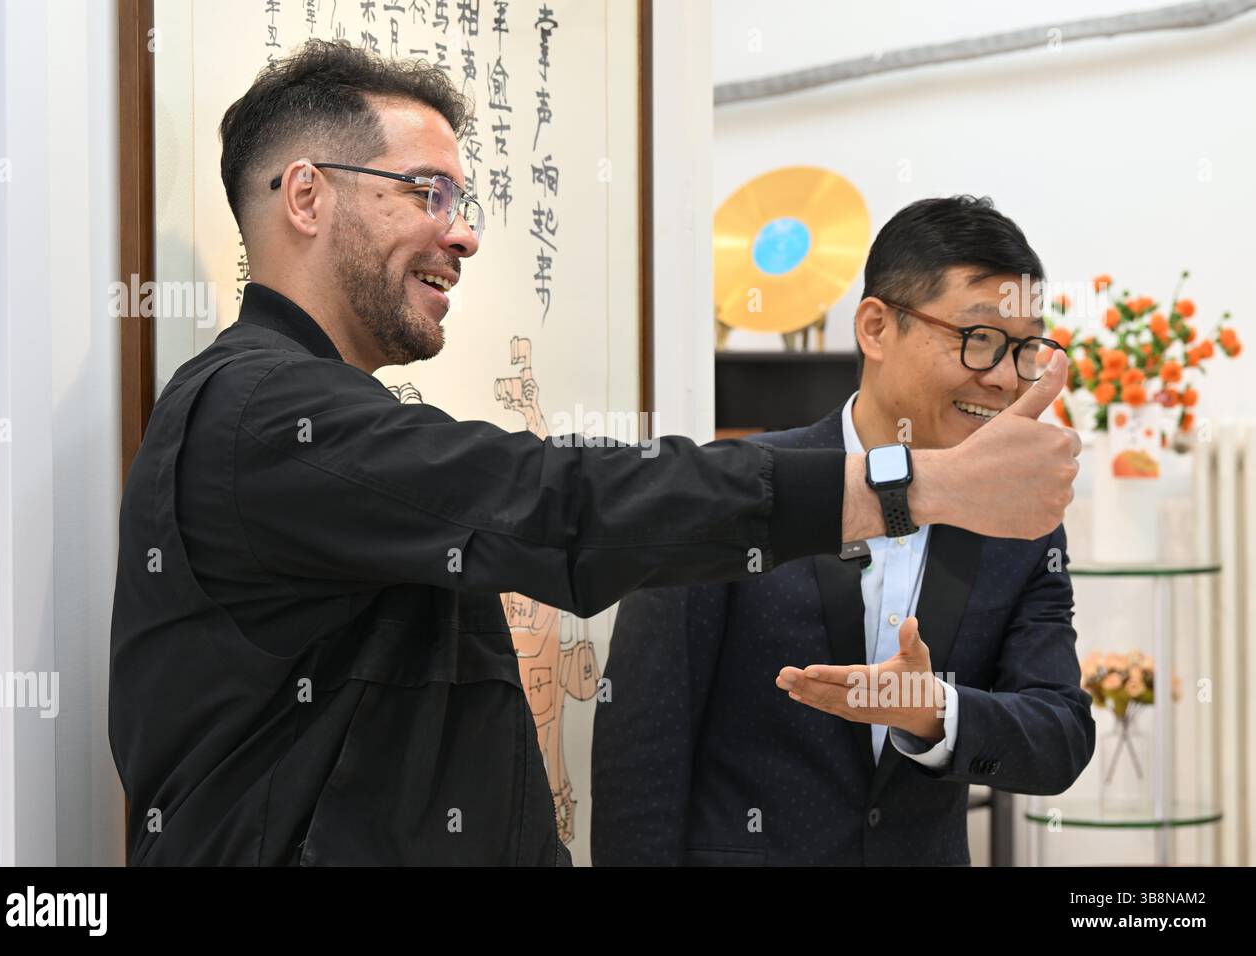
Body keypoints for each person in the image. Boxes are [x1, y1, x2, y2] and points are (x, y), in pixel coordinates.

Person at [108, 42, 1079, 866]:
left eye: (465, 195)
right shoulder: (266, 412)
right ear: (308, 196)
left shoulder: (307, 408)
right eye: (426, 191)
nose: (465, 231)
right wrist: (919, 485)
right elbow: (562, 504)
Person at [591, 196, 1095, 866]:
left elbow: (1060, 735)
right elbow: (643, 754)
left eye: (1026, 348)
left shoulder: (1023, 525)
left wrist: (933, 712)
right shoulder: (738, 488)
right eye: (978, 339)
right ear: (876, 328)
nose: (1004, 378)